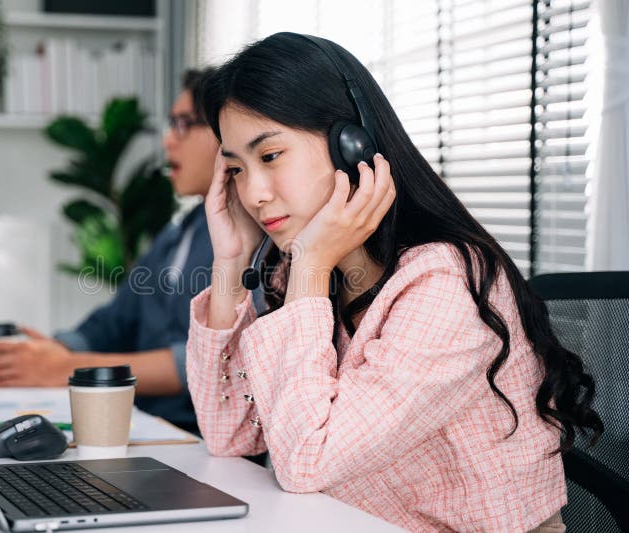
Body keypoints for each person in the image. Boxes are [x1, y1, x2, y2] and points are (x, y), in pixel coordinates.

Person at [186, 32, 602, 532]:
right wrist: (231, 259)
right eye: (236, 169)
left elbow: (307, 462)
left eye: (270, 156)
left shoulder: (445, 283)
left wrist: (311, 269)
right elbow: (230, 437)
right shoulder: (305, 277)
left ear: (351, 146)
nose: (253, 193)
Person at [0, 68, 217, 433]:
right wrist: (39, 353)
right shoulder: (179, 233)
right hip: (144, 424)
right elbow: (114, 320)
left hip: (194, 440)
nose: (168, 141)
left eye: (183, 124)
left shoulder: (248, 242)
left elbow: (199, 362)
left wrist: (63, 368)